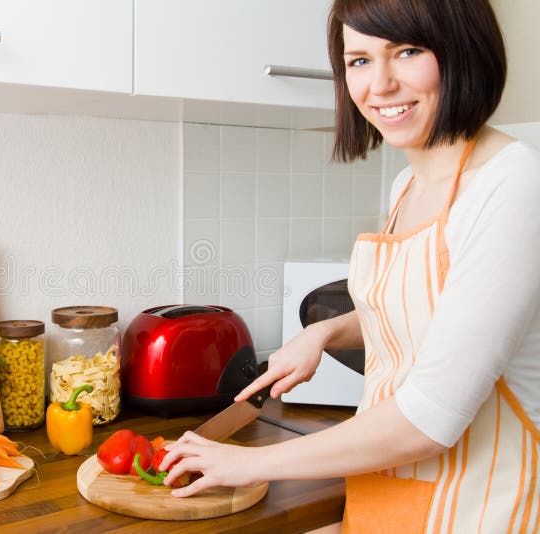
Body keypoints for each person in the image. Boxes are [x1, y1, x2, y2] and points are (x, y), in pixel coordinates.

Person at [159, 0, 540, 532]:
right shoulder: (407, 185)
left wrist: (248, 462)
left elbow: (429, 421)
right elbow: (427, 308)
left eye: (407, 52)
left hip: (478, 509)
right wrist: (324, 332)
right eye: (359, 60)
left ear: (462, 49)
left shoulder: (514, 185)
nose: (379, 84)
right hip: (386, 497)